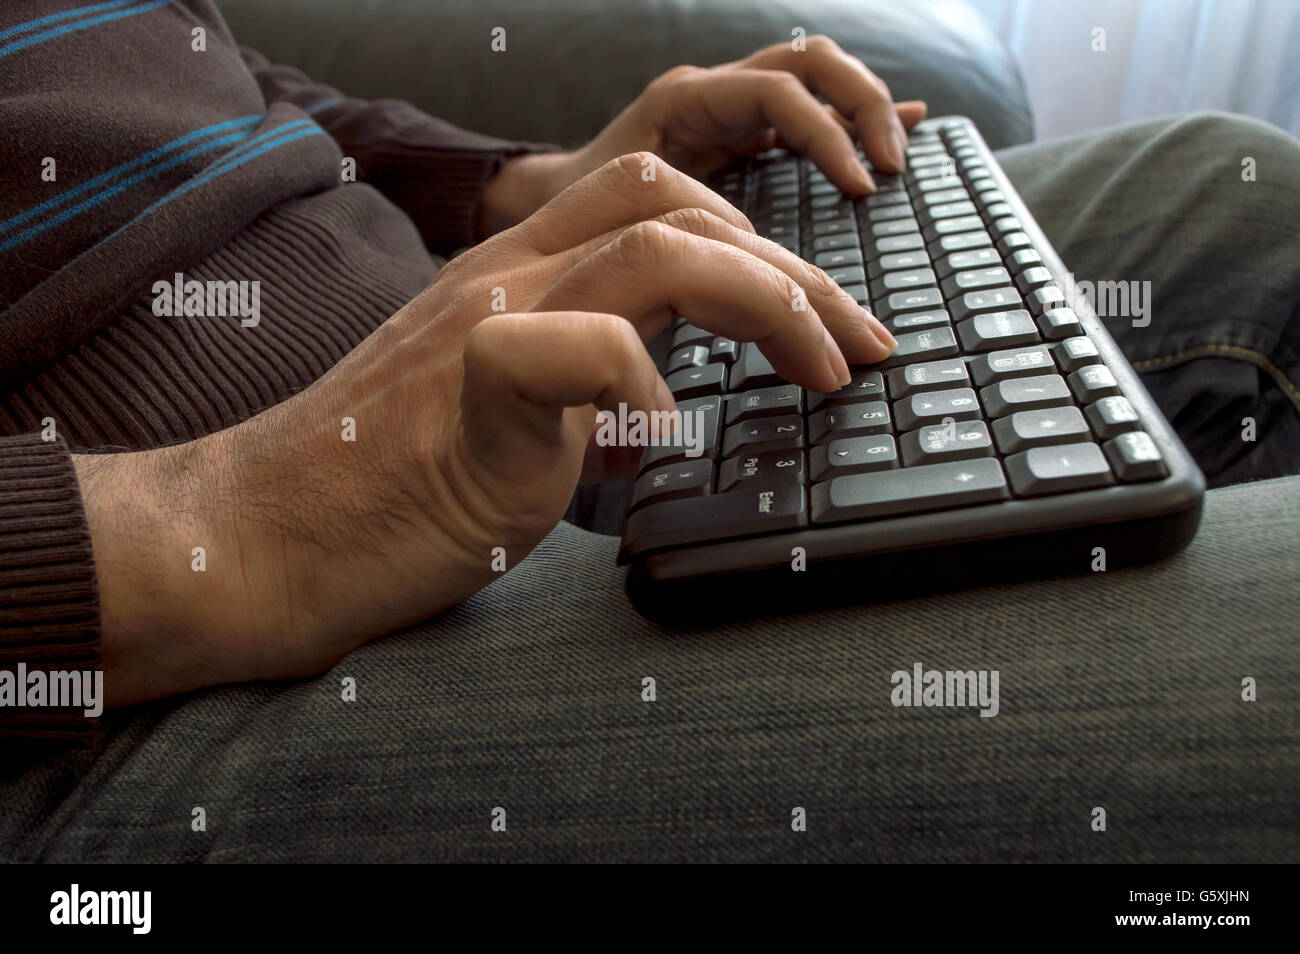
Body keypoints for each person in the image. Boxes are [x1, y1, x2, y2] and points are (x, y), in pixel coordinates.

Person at [1, 0, 1297, 861]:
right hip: (142, 667)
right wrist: (219, 521)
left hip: (482, 385)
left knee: (1244, 208)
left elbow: (194, 74)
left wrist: (518, 189)